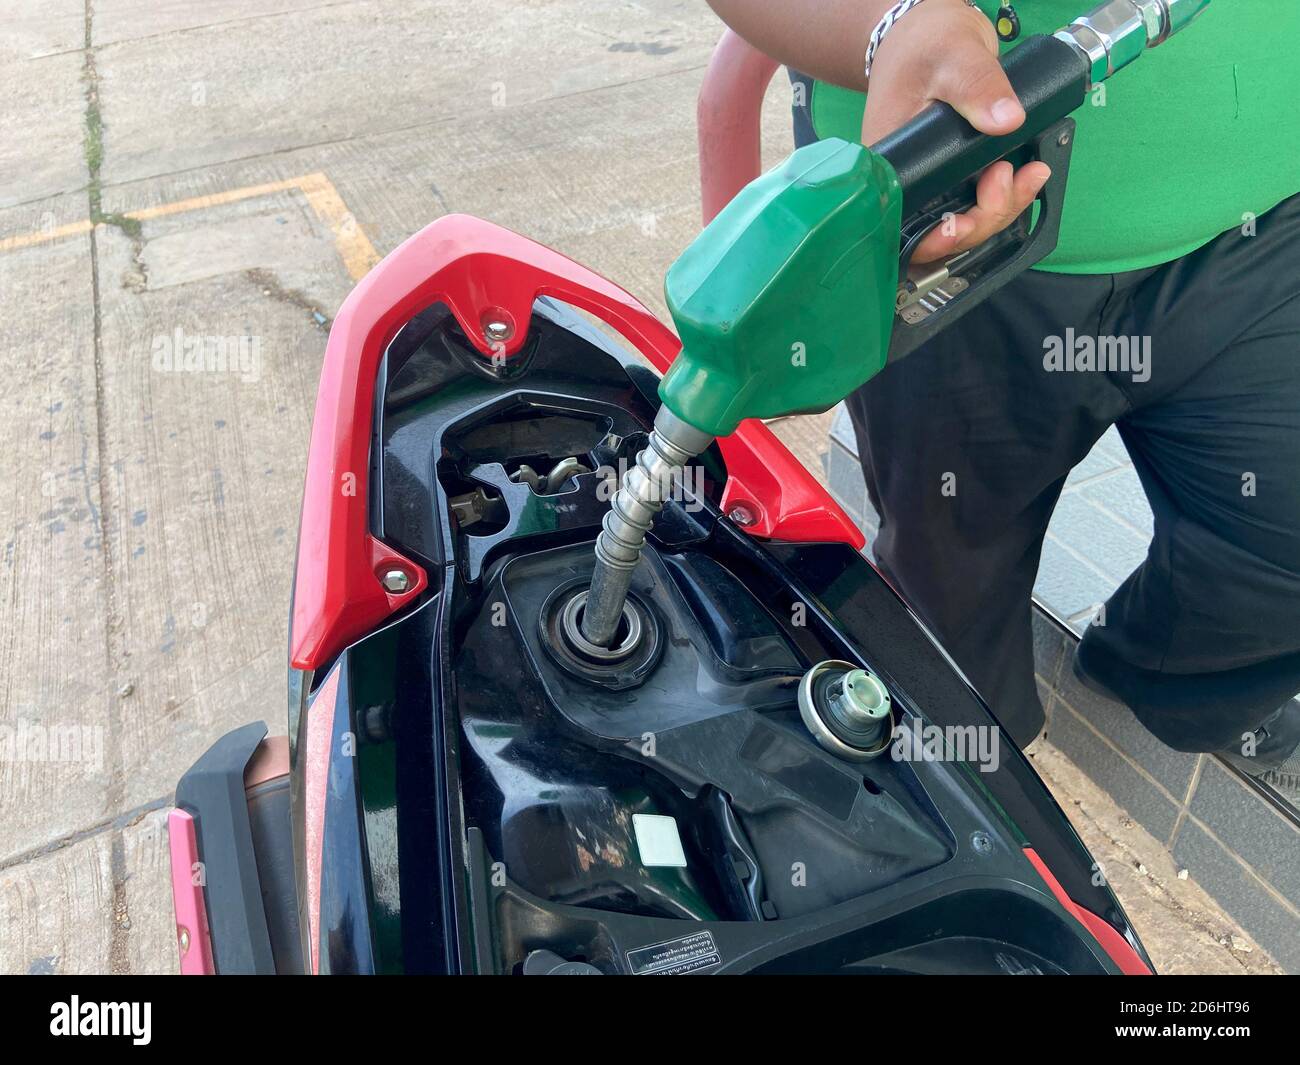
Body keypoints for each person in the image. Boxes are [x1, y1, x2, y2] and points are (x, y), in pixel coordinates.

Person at [705, 0, 1300, 795]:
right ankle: (985, 757)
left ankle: (1151, 675)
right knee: (949, 584)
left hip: (1260, 217)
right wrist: (887, 28)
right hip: (952, 221)